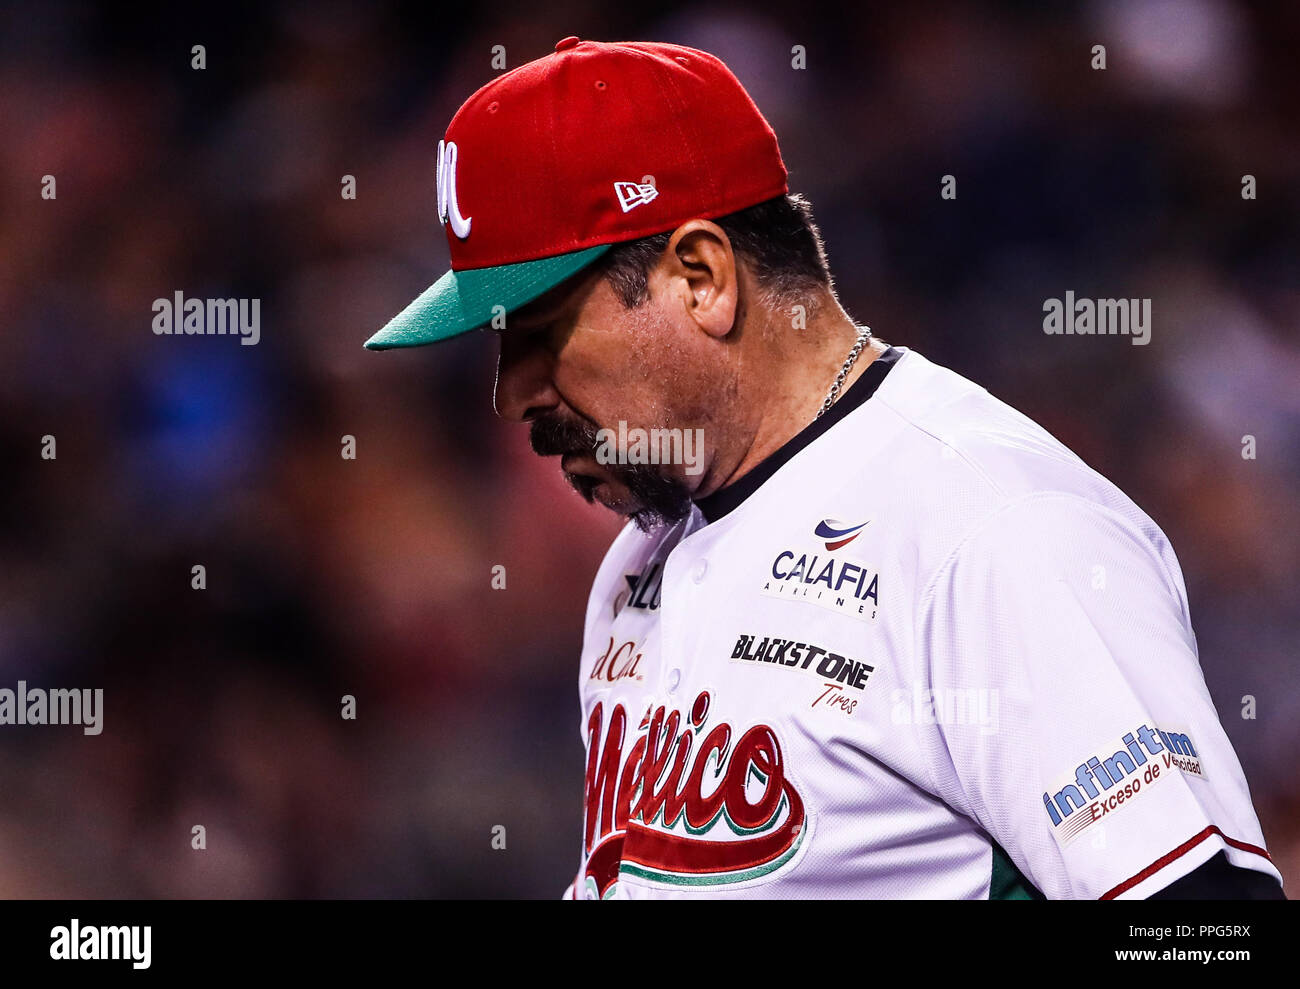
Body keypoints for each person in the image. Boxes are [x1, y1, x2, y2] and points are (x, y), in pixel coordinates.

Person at [366, 38, 1284, 900]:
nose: (513, 393)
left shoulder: (996, 528)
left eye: (537, 331)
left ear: (701, 277)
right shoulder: (643, 552)